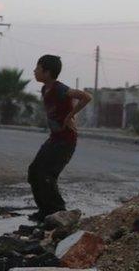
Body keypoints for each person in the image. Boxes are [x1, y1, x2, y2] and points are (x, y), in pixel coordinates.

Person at [27, 55, 92, 222]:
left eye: (38, 68)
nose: (34, 71)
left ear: (47, 72)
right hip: (54, 138)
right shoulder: (44, 90)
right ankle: (45, 212)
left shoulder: (60, 88)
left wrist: (71, 115)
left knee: (47, 175)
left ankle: (58, 213)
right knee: (34, 172)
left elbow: (86, 96)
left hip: (65, 141)